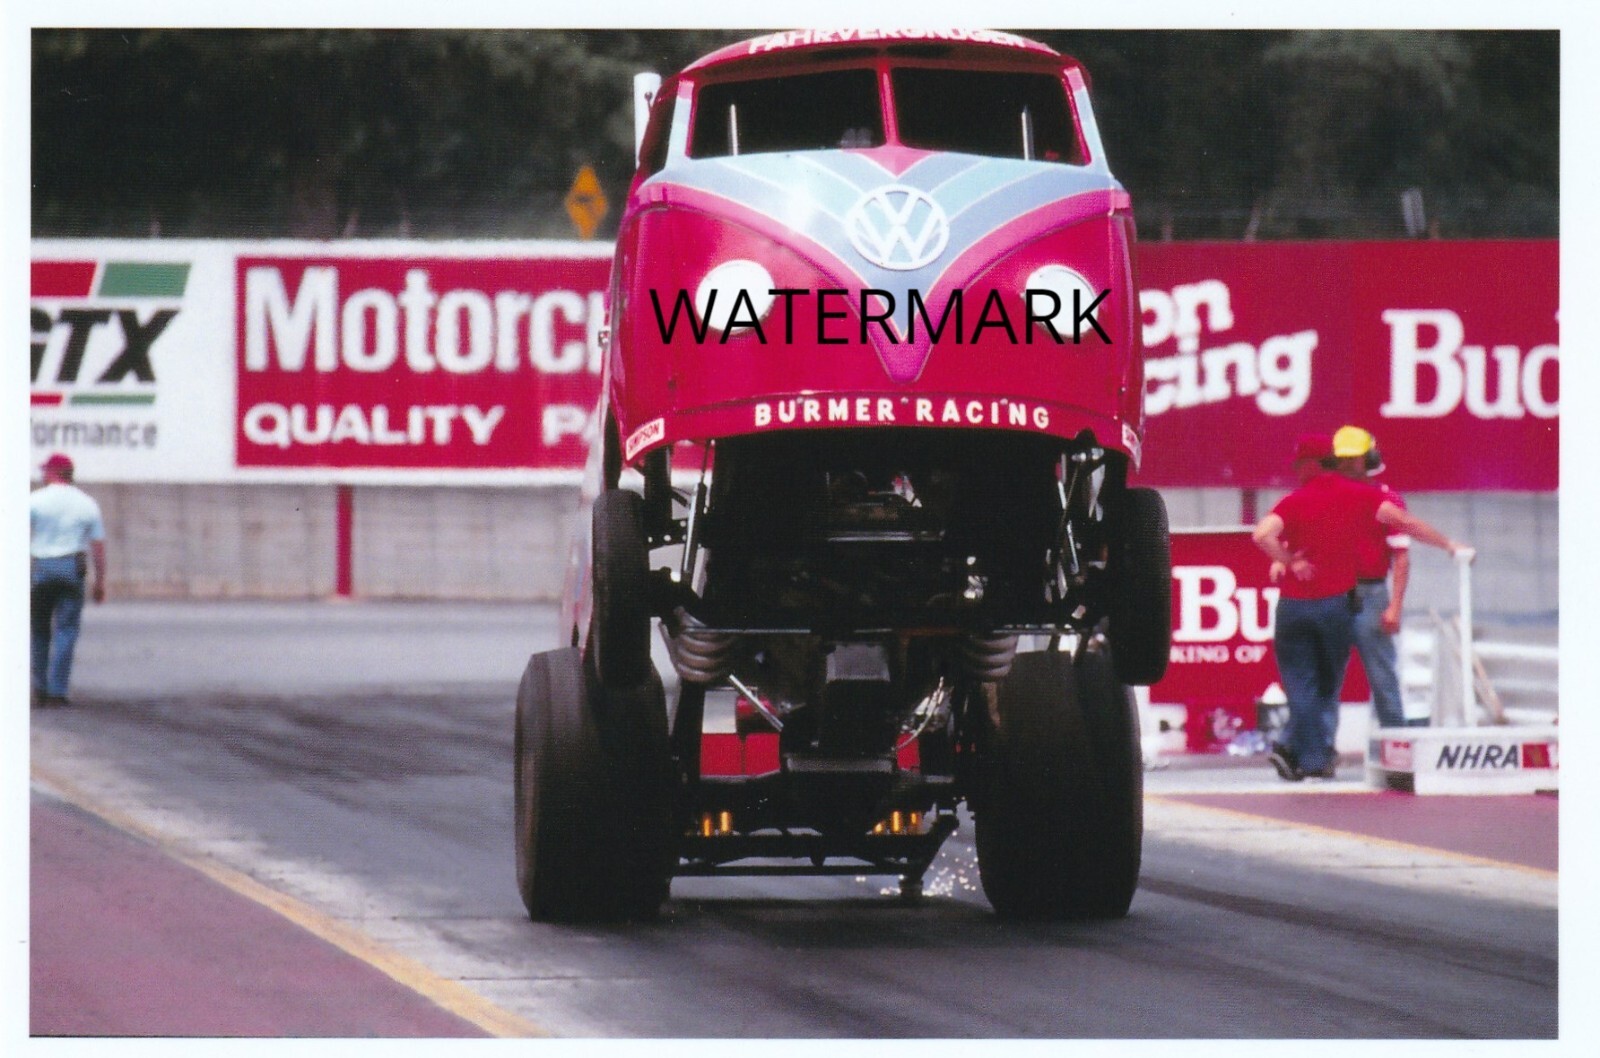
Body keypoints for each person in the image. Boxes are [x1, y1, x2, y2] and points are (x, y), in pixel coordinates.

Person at [1253, 440, 1470, 781]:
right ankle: (1366, 755)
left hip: (1295, 604)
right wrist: (1446, 544)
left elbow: (1263, 534)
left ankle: (1303, 753)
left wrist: (1288, 561)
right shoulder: (1361, 496)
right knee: (1337, 681)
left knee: (1304, 684)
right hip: (1336, 601)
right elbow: (1405, 523)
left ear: (1312, 465)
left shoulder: (1295, 500)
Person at [1330, 425, 1411, 730]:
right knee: (1328, 676)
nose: (1349, 466)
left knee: (1382, 674)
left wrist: (1395, 607)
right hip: (1331, 592)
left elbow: (1401, 555)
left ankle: (1396, 742)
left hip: (1371, 593)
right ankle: (1319, 752)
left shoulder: (1387, 501)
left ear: (1370, 458)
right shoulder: (1327, 497)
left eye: (1355, 459)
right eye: (1344, 459)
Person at [30, 453, 107, 707]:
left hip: (42, 567)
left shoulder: (35, 500)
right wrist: (100, 582)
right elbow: (97, 546)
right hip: (71, 567)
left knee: (39, 629)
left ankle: (39, 686)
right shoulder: (87, 503)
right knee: (66, 630)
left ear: (53, 473)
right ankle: (58, 690)